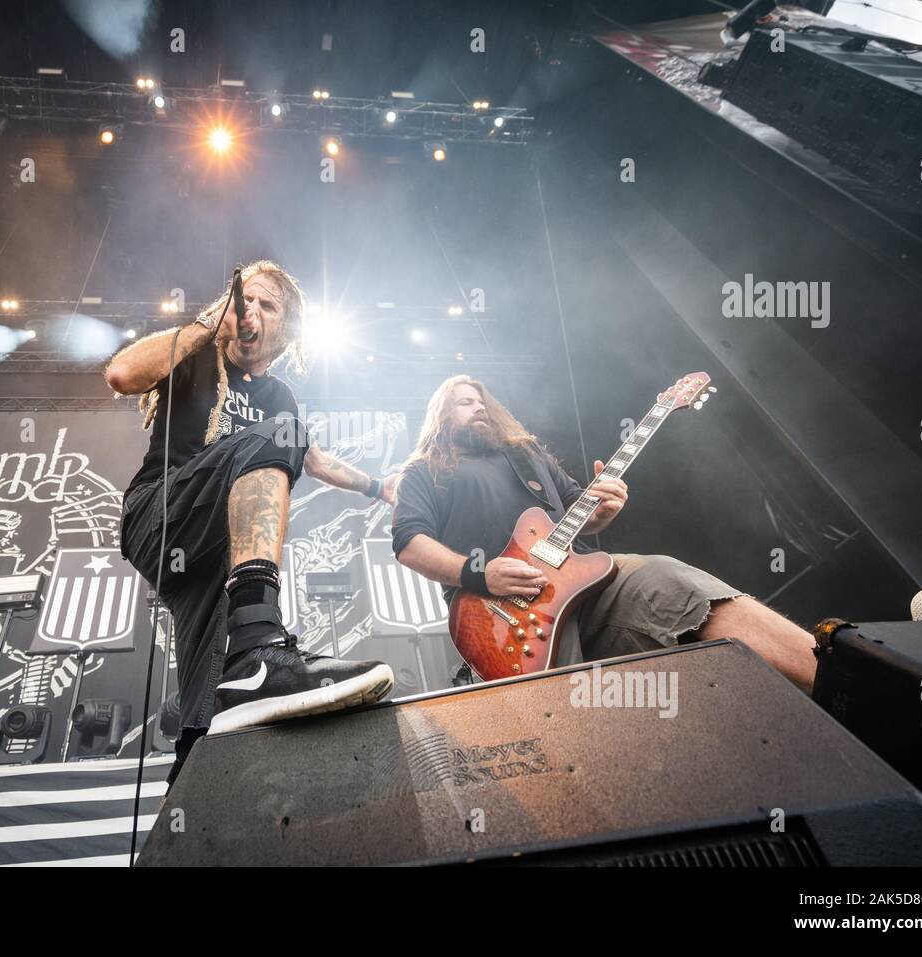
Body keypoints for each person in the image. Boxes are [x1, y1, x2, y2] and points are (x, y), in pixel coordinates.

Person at [107, 261, 399, 778]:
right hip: (161, 516)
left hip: (209, 553)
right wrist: (206, 325)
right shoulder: (196, 355)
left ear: (285, 330)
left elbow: (316, 461)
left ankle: (193, 786)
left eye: (269, 305)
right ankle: (260, 640)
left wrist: (378, 488)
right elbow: (122, 375)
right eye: (246, 301)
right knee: (280, 435)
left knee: (214, 701)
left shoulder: (279, 397)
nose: (252, 312)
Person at [391, 375, 818, 690]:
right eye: (465, 402)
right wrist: (481, 575)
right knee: (561, 704)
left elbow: (579, 511)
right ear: (441, 415)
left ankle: (835, 673)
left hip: (583, 582)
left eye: (482, 401)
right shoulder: (424, 472)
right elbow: (410, 543)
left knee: (676, 582)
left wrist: (602, 508)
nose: (479, 407)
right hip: (497, 613)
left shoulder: (527, 454)